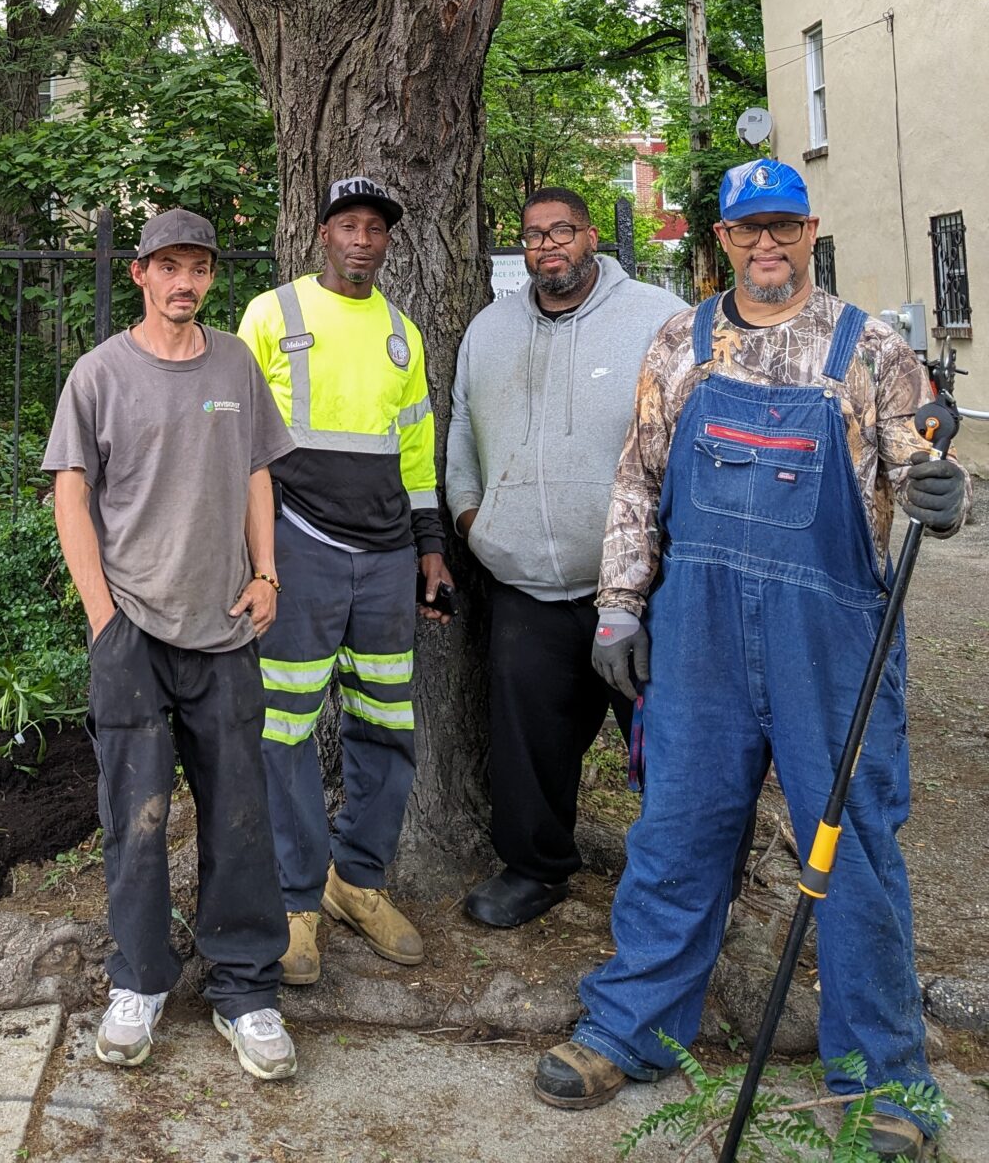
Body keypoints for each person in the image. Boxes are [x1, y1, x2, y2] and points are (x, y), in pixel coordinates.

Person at [534, 161, 969, 1162]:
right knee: (678, 828)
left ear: (809, 227)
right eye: (745, 230)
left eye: (781, 226)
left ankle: (885, 1075)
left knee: (852, 847)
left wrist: (949, 491)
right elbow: (638, 482)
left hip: (833, 646)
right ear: (719, 239)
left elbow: (924, 469)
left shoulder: (875, 349)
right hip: (700, 637)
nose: (764, 243)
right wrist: (616, 610)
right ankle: (629, 1029)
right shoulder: (680, 342)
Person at [45, 206, 300, 1082]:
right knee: (136, 818)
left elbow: (259, 472)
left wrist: (267, 573)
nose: (185, 282)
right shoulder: (100, 374)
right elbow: (71, 497)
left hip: (226, 628)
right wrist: (103, 622)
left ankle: (246, 991)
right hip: (134, 634)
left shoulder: (236, 363)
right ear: (142, 275)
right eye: (170, 268)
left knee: (240, 814)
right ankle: (140, 983)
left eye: (199, 268)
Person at [237, 176, 455, 989]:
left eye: (376, 229)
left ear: (389, 243)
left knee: (386, 722)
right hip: (300, 547)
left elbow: (416, 453)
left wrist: (429, 546)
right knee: (286, 728)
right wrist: (253, 554)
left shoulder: (403, 333)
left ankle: (356, 882)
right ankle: (296, 901)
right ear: (322, 233)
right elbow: (240, 444)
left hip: (389, 556)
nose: (363, 240)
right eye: (348, 226)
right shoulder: (273, 314)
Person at [446, 187, 682, 929]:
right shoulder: (488, 330)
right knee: (528, 745)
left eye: (562, 231)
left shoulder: (655, 317)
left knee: (670, 740)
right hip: (523, 582)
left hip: (639, 585)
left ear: (589, 238)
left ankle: (687, 880)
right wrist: (472, 517)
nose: (548, 246)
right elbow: (459, 427)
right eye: (533, 235)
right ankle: (536, 869)